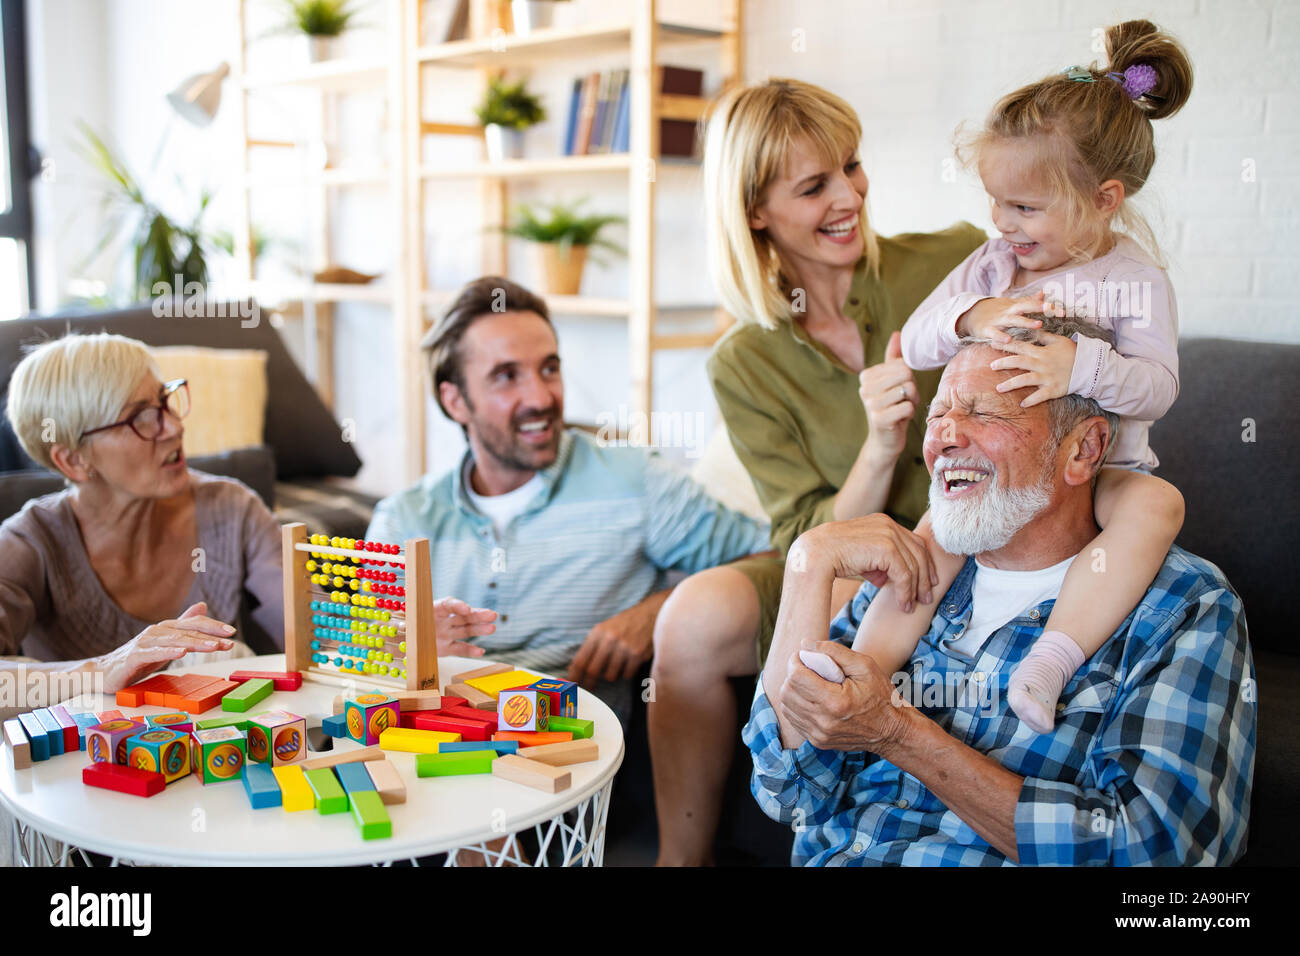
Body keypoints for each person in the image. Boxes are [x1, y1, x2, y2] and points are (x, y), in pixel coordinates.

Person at [748, 318, 1255, 865]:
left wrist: (898, 732)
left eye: (985, 412)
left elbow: (1157, 851)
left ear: (1083, 450)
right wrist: (807, 565)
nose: (945, 436)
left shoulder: (1184, 607)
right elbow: (787, 789)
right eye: (938, 413)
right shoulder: (910, 572)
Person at [648, 77, 987, 865]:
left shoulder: (952, 261)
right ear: (755, 210)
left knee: (833, 612)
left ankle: (841, 833)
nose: (851, 196)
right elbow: (807, 535)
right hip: (833, 554)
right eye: (814, 186)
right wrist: (879, 443)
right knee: (688, 620)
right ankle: (677, 859)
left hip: (952, 544)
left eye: (852, 166)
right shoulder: (745, 359)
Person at [853, 20, 1190, 734]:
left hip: (1104, 473)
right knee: (935, 538)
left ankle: (1050, 662)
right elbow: (912, 342)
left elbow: (1160, 387)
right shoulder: (995, 265)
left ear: (1105, 199)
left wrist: (1082, 365)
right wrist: (974, 315)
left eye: (1027, 207)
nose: (1004, 222)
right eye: (996, 202)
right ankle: (862, 668)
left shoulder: (1134, 281)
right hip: (1008, 480)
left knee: (1158, 508)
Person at [366, 276, 771, 720]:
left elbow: (770, 555)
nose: (541, 397)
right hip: (427, 757)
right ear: (456, 401)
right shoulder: (401, 521)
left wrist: (662, 611)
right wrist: (403, 653)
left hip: (569, 763)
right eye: (506, 376)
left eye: (549, 368)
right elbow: (355, 662)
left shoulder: (635, 480)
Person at [0, 333, 280, 698]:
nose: (175, 426)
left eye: (165, 401)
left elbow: (311, 630)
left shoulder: (232, 507)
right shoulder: (30, 542)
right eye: (141, 418)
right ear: (73, 459)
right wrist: (102, 670)